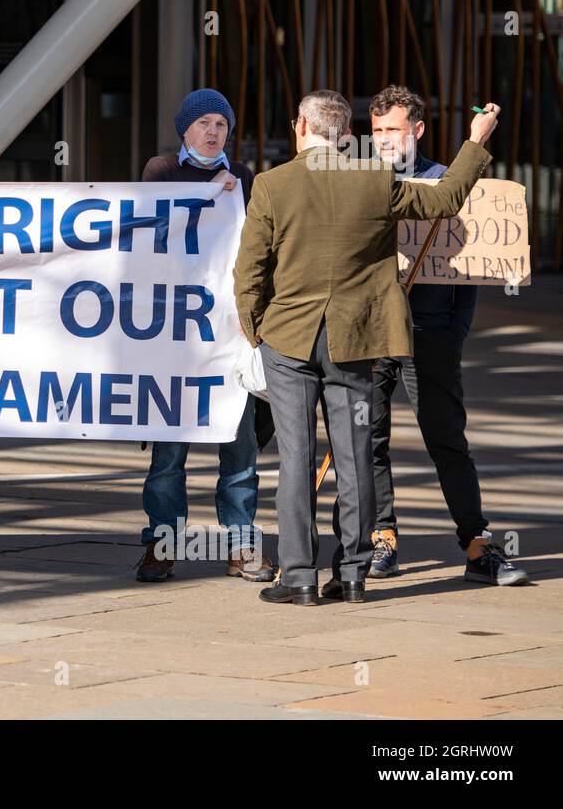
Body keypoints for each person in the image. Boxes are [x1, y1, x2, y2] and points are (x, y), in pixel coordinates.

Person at [233, 90, 499, 606]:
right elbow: (444, 200)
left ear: (302, 130)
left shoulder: (271, 185)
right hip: (356, 339)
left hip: (289, 339)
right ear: (346, 135)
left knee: (296, 459)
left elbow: (250, 274)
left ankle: (299, 577)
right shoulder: (376, 180)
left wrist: (258, 332)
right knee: (355, 455)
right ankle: (352, 574)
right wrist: (475, 143)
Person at [366, 85, 528, 586]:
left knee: (446, 440)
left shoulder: (445, 181)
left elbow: (470, 268)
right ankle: (382, 537)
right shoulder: (359, 182)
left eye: (393, 130)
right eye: (375, 132)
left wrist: (452, 331)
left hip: (429, 334)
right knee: (366, 439)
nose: (384, 140)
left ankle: (476, 543)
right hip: (371, 335)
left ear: (416, 130)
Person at [134, 88, 275, 584]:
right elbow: (156, 232)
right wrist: (207, 191)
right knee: (169, 457)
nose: (214, 132)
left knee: (239, 451)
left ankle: (241, 547)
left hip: (227, 336)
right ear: (185, 130)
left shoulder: (245, 181)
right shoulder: (161, 171)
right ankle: (162, 545)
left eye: (221, 124)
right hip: (175, 340)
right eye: (204, 123)